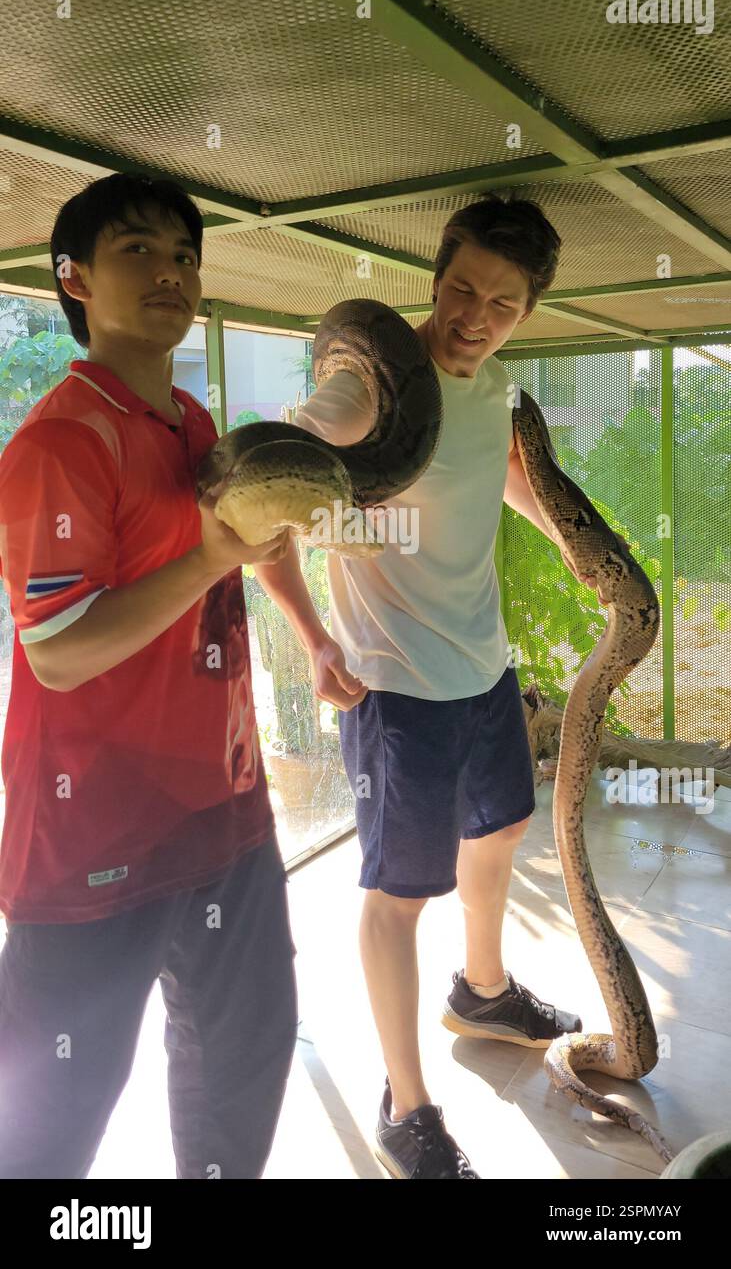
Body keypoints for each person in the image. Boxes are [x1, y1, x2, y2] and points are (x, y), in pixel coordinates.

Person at [254, 193, 614, 1180]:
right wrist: (312, 632)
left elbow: (487, 468)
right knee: (398, 893)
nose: (472, 315)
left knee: (497, 827)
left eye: (500, 301)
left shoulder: (493, 386)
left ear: (524, 313)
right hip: (397, 691)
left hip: (483, 668)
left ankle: (482, 989)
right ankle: (405, 1105)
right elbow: (273, 488)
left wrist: (575, 548)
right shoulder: (372, 385)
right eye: (459, 287)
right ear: (435, 272)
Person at [0, 173, 297, 1179]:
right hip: (96, 838)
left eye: (183, 254)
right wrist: (212, 558)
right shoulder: (61, 440)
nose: (170, 271)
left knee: (240, 1064)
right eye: (138, 250)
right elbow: (57, 648)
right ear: (73, 279)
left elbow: (217, 559)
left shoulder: (193, 423)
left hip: (224, 812)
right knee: (52, 1114)